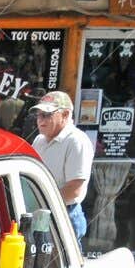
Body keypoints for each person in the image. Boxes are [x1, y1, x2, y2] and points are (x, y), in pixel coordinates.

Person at [29, 90, 93, 241]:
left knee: (59, 256)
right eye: (38, 115)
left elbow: (75, 190)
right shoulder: (40, 139)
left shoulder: (77, 141)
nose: (40, 119)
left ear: (65, 114)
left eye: (46, 114)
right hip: (43, 210)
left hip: (64, 213)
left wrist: (40, 201)